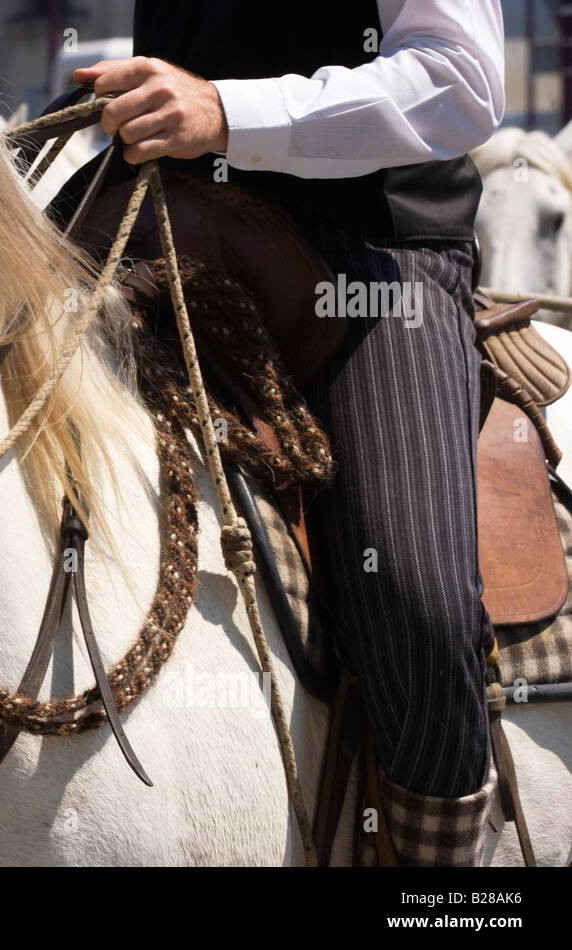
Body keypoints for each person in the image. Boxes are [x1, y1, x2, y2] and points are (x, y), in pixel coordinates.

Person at [73, 1, 506, 865]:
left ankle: (445, 891)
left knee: (414, 590)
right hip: (165, 226)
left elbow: (462, 79)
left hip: (371, 254)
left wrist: (227, 113)